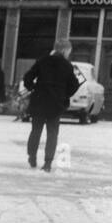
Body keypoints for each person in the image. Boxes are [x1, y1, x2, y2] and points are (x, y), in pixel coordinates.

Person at [23, 39, 81, 172]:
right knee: (52, 133)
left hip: (39, 101)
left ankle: (32, 156)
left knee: (35, 131)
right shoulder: (67, 65)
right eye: (68, 51)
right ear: (65, 50)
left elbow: (27, 78)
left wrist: (34, 88)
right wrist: (64, 94)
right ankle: (47, 163)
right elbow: (73, 86)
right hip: (56, 104)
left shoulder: (42, 61)